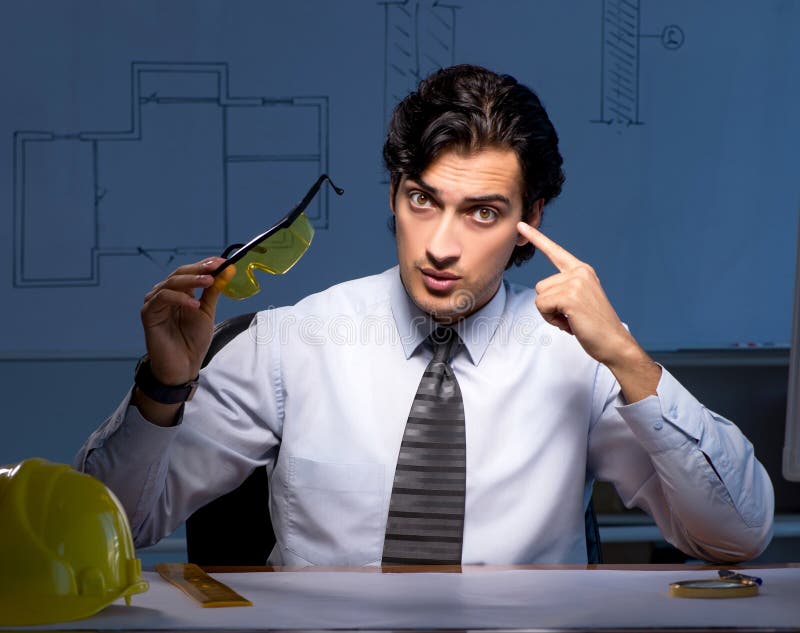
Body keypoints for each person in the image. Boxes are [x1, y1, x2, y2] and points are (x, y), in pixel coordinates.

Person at [75, 65, 773, 565]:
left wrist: (626, 357)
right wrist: (163, 388)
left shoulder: (580, 361)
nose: (441, 245)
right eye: (422, 200)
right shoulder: (290, 342)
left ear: (530, 221)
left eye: (482, 213)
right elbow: (103, 532)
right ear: (393, 194)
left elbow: (737, 536)